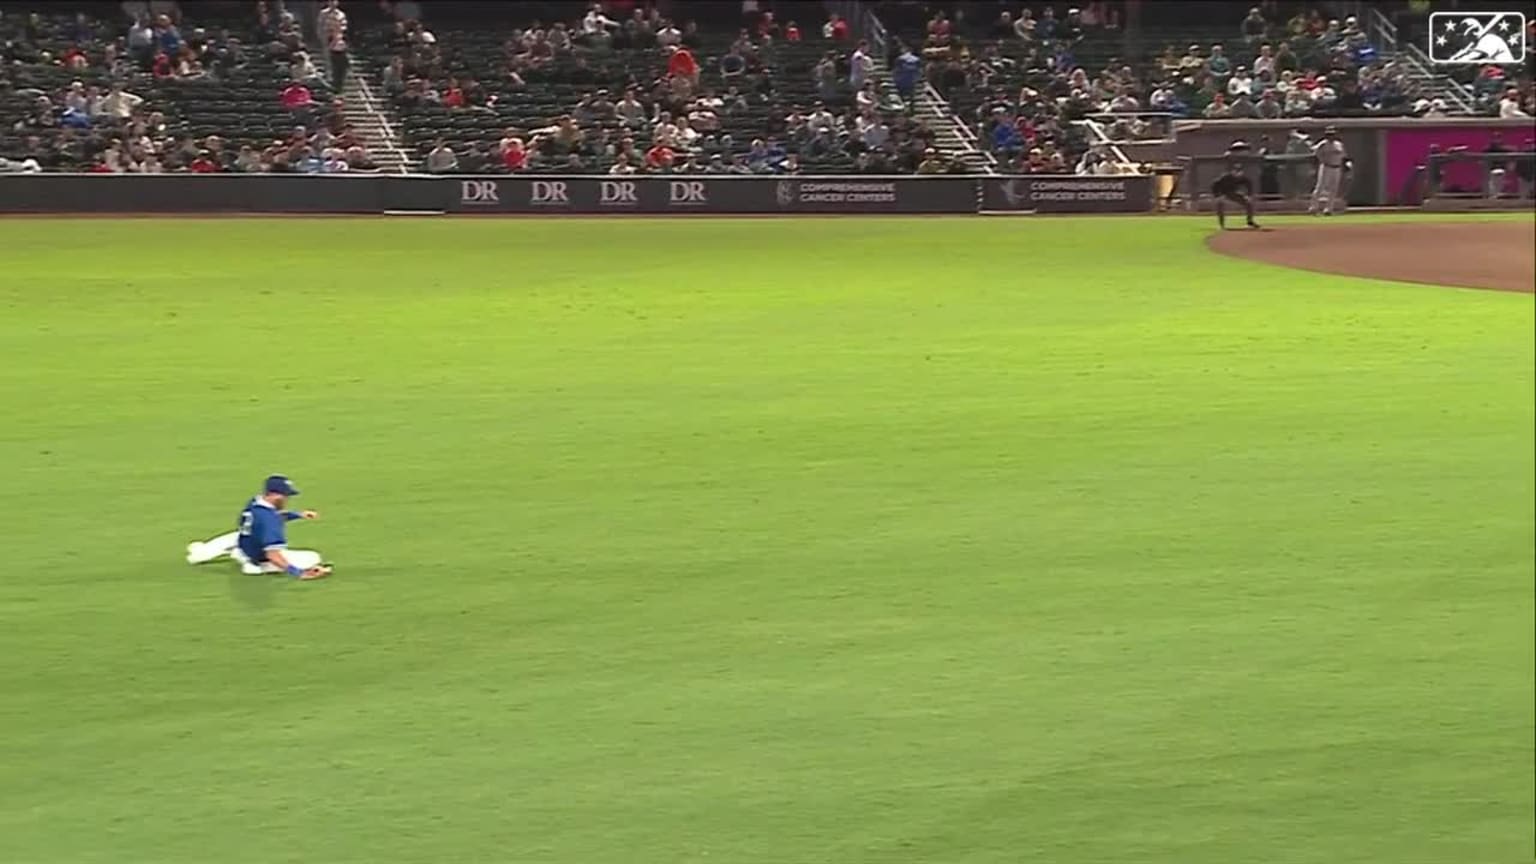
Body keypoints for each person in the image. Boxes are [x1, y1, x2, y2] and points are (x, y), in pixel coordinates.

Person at [185, 475, 332, 579]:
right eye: (285, 495)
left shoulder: (256, 501)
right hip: (259, 556)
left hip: (244, 540)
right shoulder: (270, 521)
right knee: (313, 557)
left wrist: (298, 514)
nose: (287, 499)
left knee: (236, 536)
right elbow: (273, 555)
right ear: (275, 495)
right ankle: (252, 565)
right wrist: (299, 573)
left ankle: (201, 553)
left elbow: (274, 515)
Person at [1307, 126, 1348, 215]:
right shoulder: (1323, 144)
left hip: (1337, 168)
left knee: (1334, 189)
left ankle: (1328, 209)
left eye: (1332, 134)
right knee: (1320, 187)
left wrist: (1344, 167)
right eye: (1329, 134)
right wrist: (1318, 162)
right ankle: (1313, 207)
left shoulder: (1339, 144)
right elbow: (1314, 153)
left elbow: (1343, 156)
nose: (1331, 136)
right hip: (1326, 167)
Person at [1211, 164, 1260, 230]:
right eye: (1237, 171)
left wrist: (1249, 195)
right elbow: (1215, 184)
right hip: (1222, 193)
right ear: (1233, 171)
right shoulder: (1226, 177)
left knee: (1248, 203)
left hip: (1232, 193)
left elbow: (1249, 184)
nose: (1239, 173)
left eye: (1240, 172)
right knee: (1220, 205)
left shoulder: (1242, 178)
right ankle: (1221, 225)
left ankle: (1249, 222)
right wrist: (1217, 196)